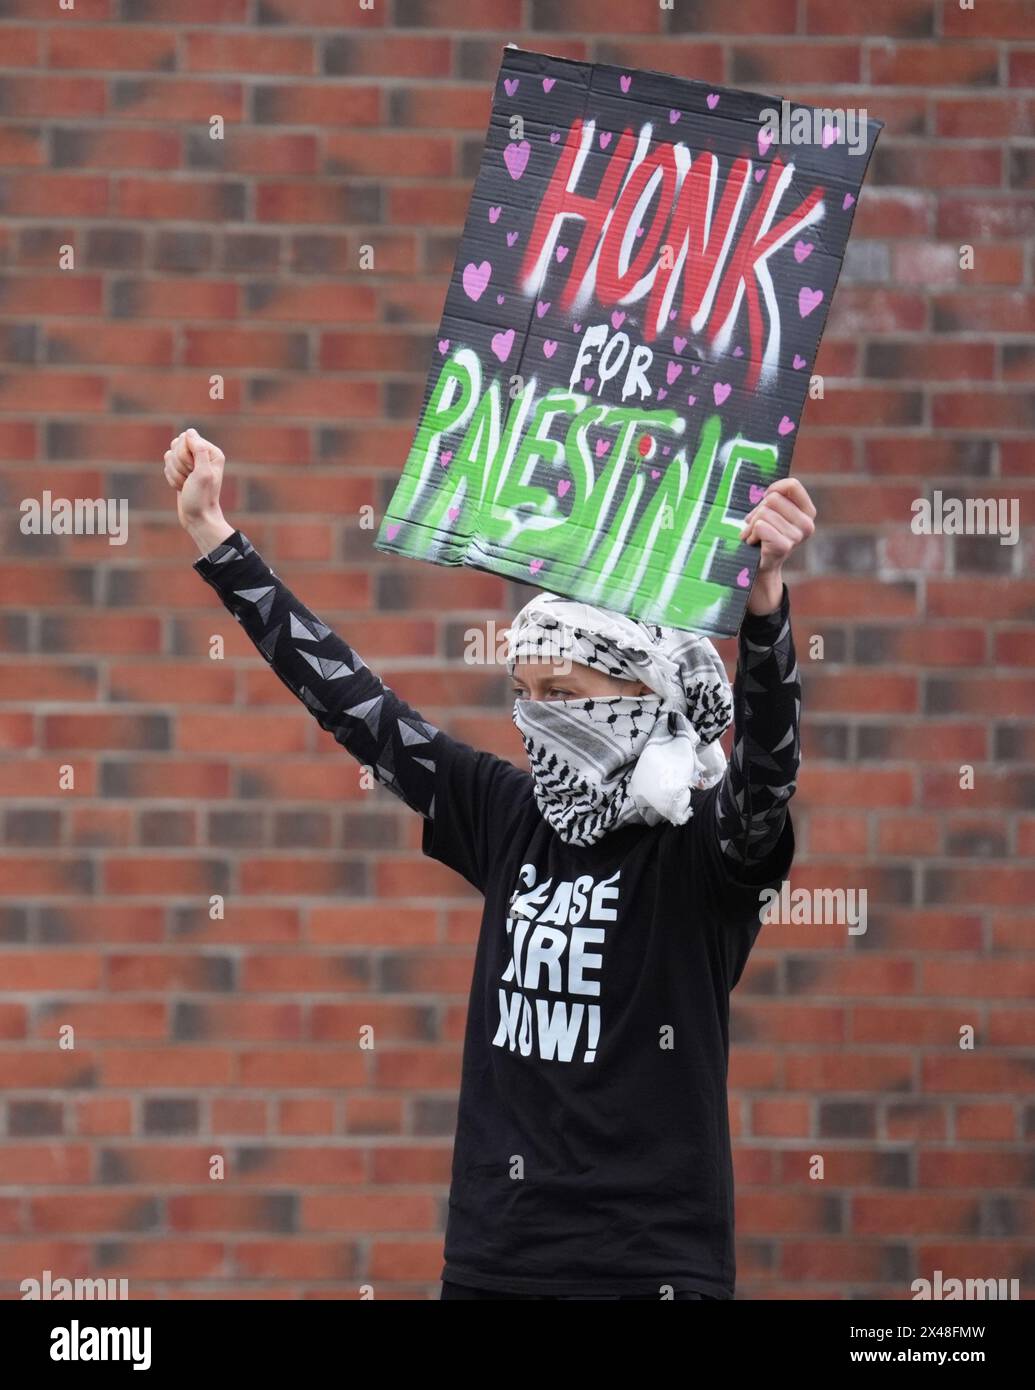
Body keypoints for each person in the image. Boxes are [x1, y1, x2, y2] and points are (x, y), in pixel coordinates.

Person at [165, 426, 813, 1301]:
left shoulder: (701, 844)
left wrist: (765, 606)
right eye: (524, 696)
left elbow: (766, 775)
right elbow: (356, 707)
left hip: (651, 1268)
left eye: (564, 697)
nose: (537, 719)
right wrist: (214, 534)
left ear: (642, 699)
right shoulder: (509, 814)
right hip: (493, 1261)